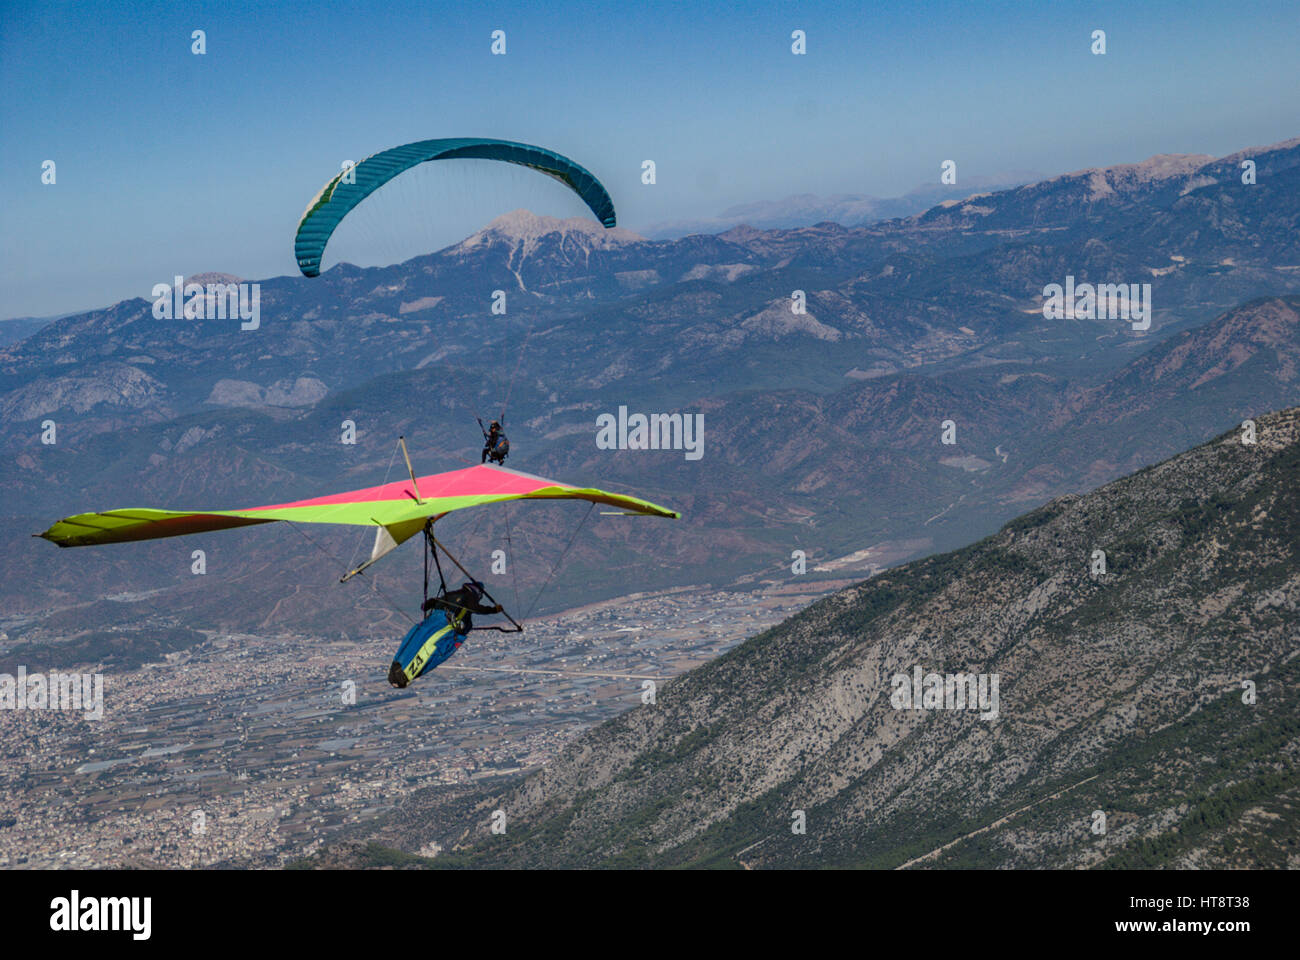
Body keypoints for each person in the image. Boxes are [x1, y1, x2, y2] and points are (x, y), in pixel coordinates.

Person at [387, 580, 503, 688]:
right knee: (433, 648)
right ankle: (405, 674)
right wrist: (494, 610)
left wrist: (428, 605)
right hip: (443, 625)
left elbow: (429, 604)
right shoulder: (469, 596)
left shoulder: (452, 594)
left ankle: (400, 668)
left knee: (416, 640)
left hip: (431, 622)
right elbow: (476, 608)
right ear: (477, 592)